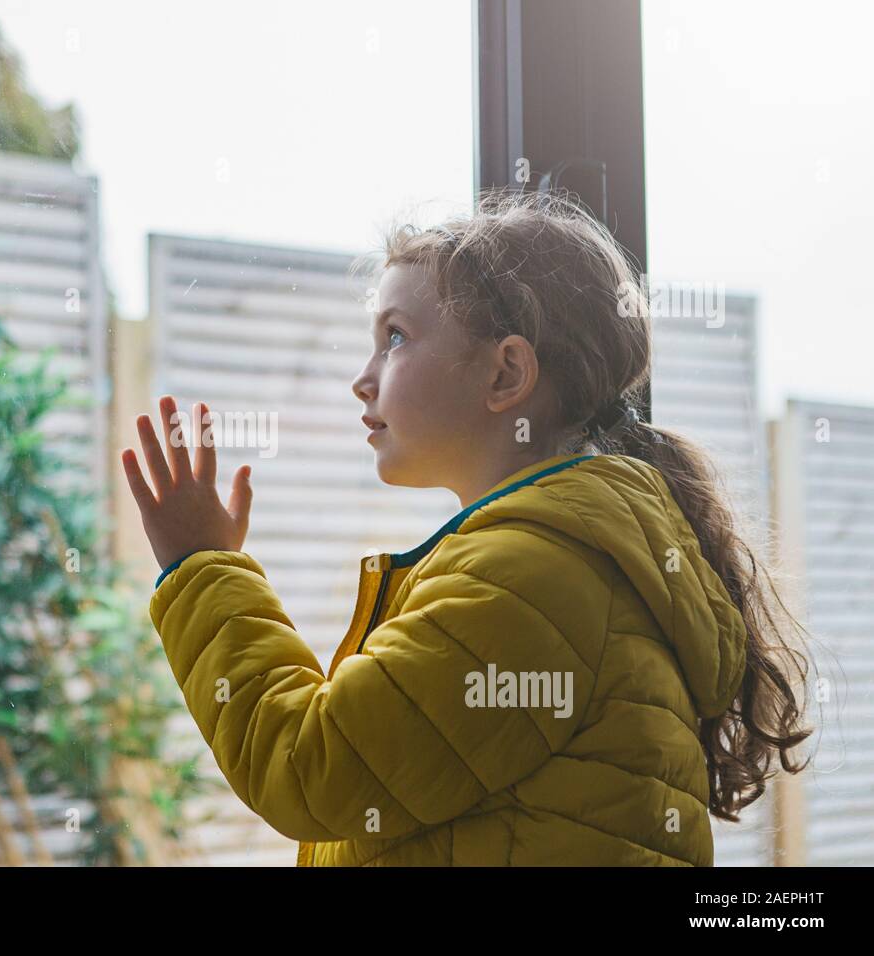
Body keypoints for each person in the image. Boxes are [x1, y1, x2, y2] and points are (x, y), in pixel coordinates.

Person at [119, 189, 812, 866]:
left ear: (506, 373)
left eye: (395, 337)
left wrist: (201, 566)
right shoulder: (560, 556)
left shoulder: (535, 577)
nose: (363, 379)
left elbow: (313, 768)